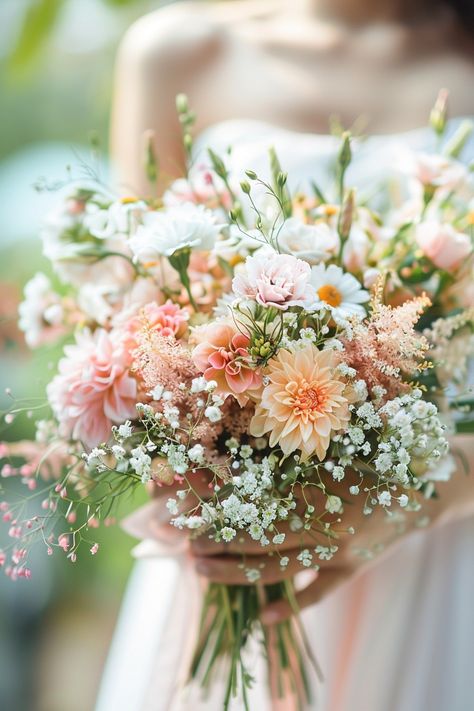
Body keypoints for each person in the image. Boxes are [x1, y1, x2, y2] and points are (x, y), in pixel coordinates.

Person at [97, 2, 474, 709]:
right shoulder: (177, 51)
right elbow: (136, 325)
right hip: (237, 550)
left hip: (449, 558)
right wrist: (188, 449)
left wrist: (416, 497)